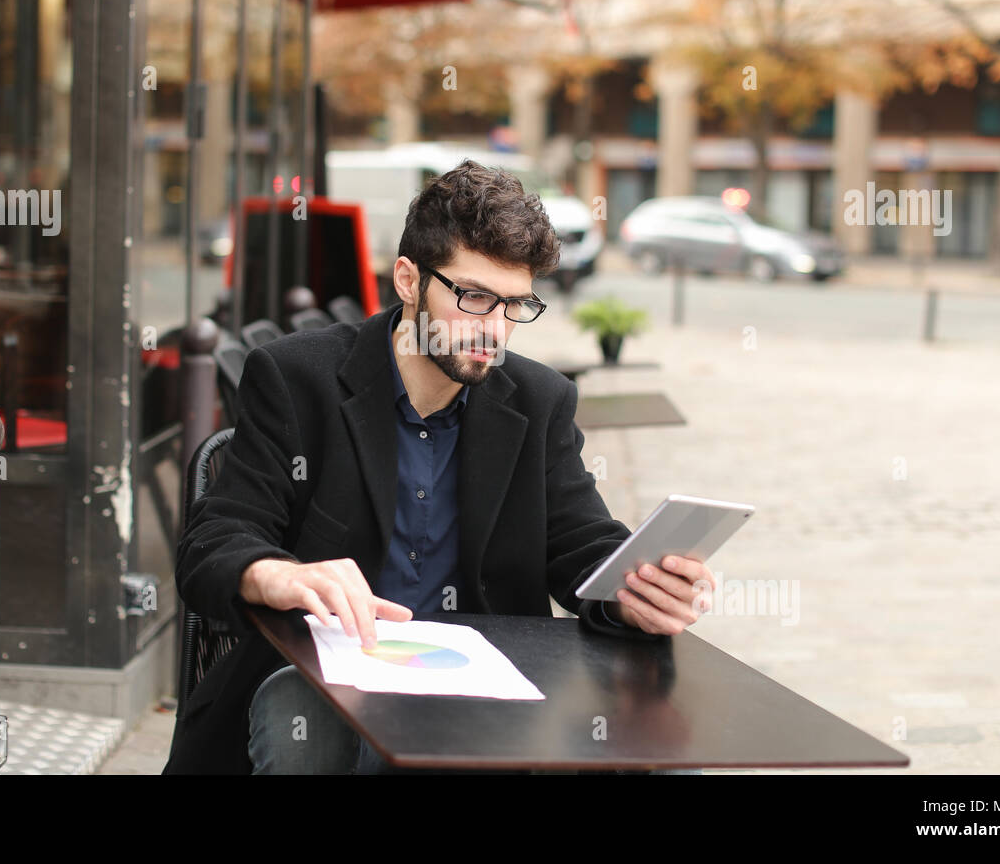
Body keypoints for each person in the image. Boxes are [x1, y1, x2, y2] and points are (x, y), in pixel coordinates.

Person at [163, 160, 716, 774]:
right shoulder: (298, 379)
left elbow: (582, 542)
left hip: (484, 701)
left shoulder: (539, 401)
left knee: (665, 749)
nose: (495, 329)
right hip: (328, 687)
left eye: (515, 305)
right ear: (407, 279)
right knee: (307, 719)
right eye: (474, 297)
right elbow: (214, 541)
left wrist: (633, 590)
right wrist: (277, 574)